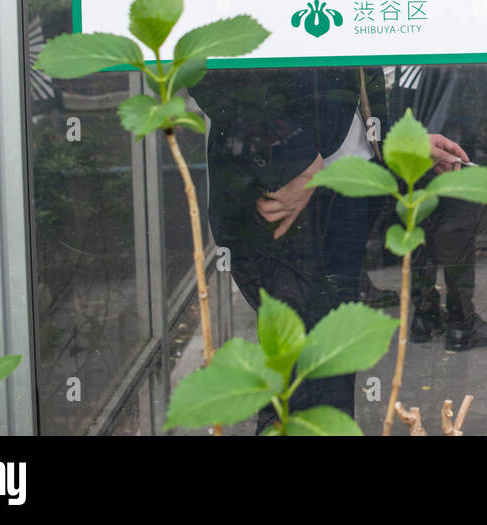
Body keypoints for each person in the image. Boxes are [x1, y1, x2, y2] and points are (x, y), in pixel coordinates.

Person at [190, 66, 467, 432]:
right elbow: (207, 71)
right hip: (284, 188)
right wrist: (290, 154)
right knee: (303, 383)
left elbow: (347, 81)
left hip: (341, 188)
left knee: (328, 376)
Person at [393, 64, 487, 351]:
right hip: (464, 140)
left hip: (417, 141)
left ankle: (424, 316)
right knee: (457, 228)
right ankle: (461, 324)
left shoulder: (416, 34)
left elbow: (402, 88)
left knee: (421, 225)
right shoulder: (475, 30)